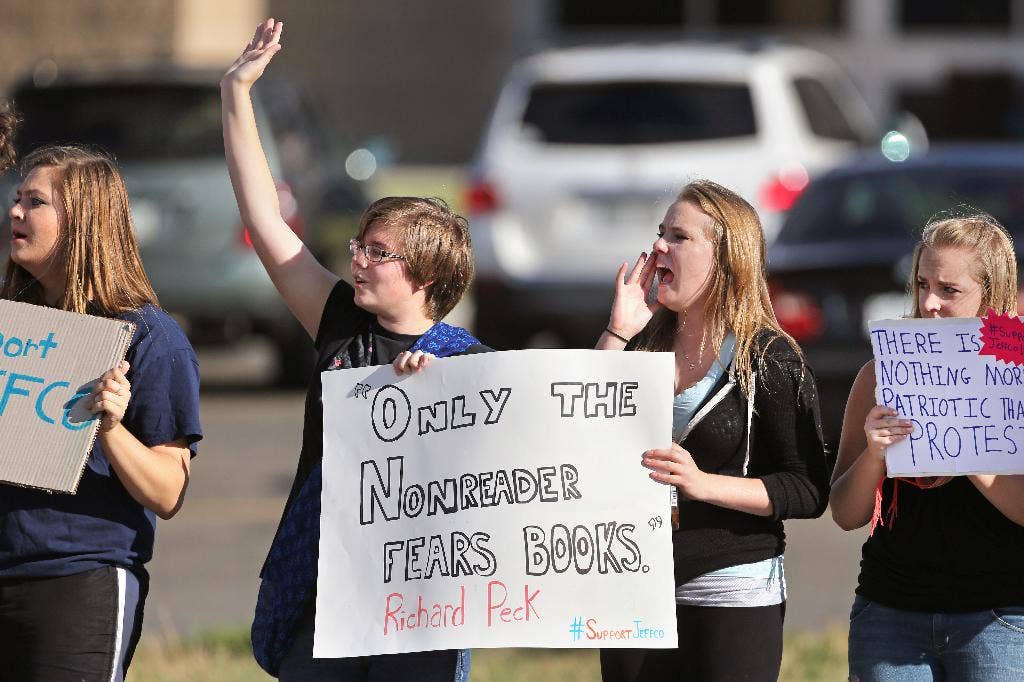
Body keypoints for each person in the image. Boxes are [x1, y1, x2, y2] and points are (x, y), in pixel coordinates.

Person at [222, 19, 487, 680]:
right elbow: (264, 220)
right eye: (358, 246)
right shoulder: (341, 320)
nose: (357, 260)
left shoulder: (470, 363)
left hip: (421, 608)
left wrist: (439, 399)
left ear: (425, 275)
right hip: (327, 594)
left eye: (377, 252)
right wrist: (236, 94)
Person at [595, 180, 829, 682]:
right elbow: (578, 431)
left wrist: (701, 484)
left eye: (678, 237)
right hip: (632, 579)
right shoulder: (641, 342)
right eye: (660, 232)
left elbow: (808, 488)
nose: (659, 246)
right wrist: (617, 332)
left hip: (730, 585)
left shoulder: (768, 358)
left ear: (726, 258)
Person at [0, 144, 203, 681]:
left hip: (76, 580)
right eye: (17, 199)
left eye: (35, 202)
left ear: (83, 221)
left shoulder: (151, 339)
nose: (15, 211)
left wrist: (110, 428)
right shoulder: (10, 324)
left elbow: (169, 492)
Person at [830, 213, 1024, 681]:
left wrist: (964, 448)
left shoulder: (1015, 371)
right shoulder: (881, 373)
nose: (930, 302)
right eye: (922, 284)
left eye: (949, 290)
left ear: (991, 294)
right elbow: (845, 512)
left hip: (999, 616)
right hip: (891, 613)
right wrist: (875, 455)